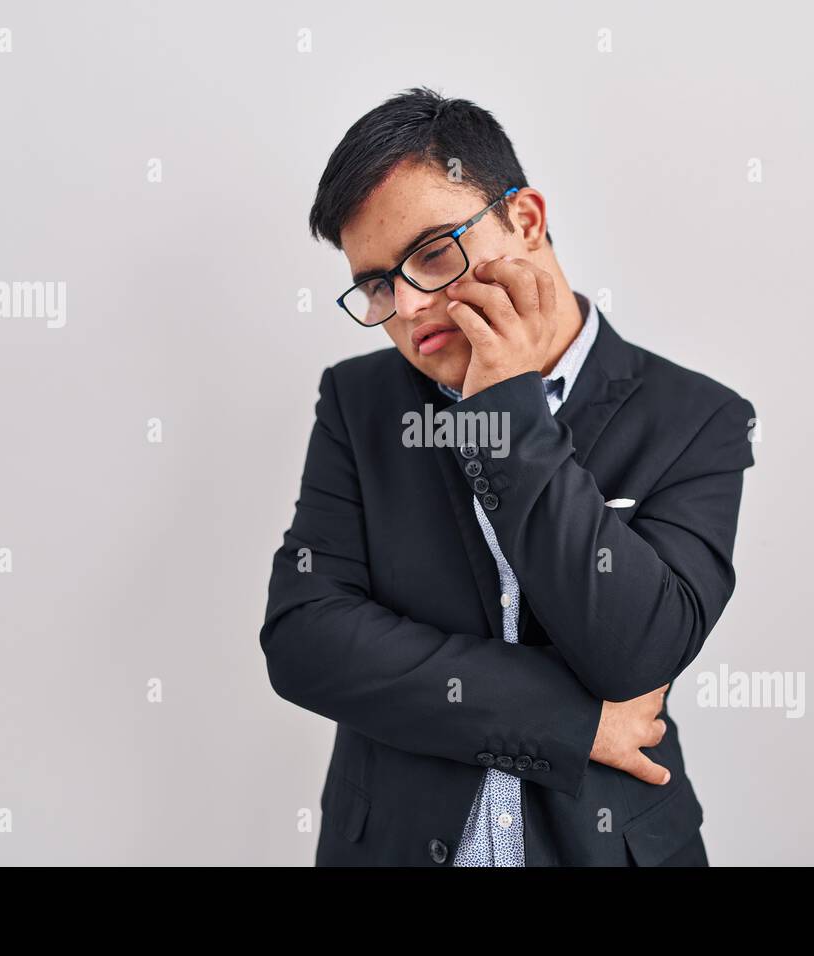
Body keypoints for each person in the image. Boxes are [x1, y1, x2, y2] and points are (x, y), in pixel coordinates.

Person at [260, 87, 757, 866]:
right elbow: (305, 640)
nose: (412, 306)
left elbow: (636, 650)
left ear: (524, 221)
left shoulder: (696, 417)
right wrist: (573, 721)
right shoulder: (359, 404)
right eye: (379, 284)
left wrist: (508, 412)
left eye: (433, 253)